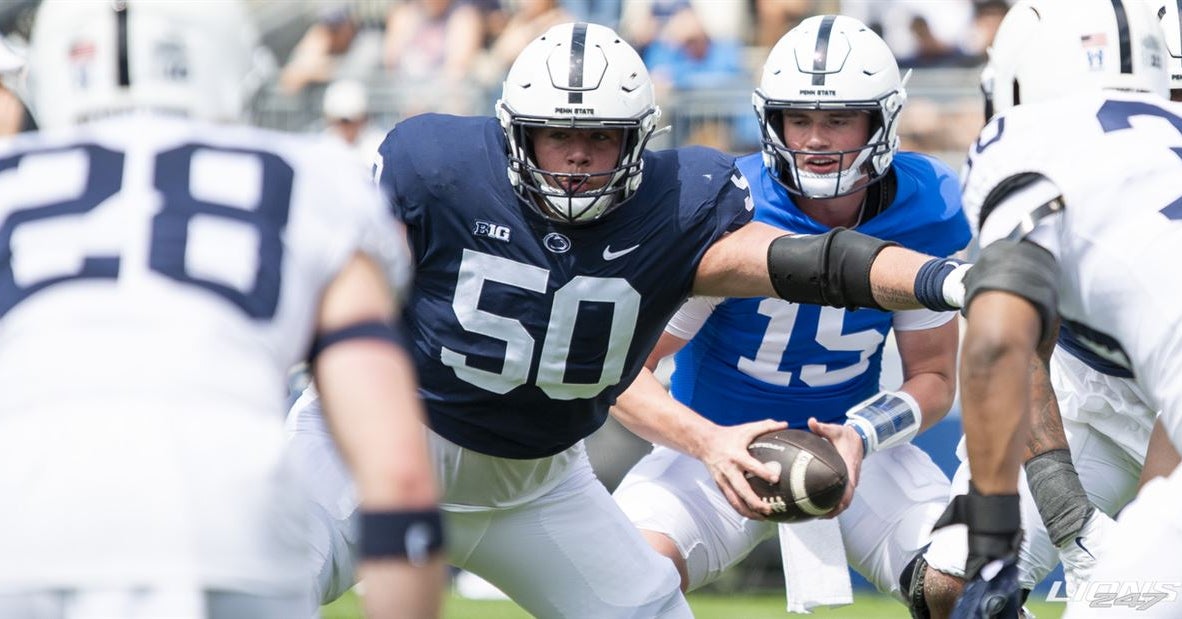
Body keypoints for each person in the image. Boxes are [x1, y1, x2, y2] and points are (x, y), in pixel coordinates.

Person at [286, 21, 971, 618]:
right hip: (379, 444)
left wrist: (948, 280)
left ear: (638, 141)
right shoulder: (436, 167)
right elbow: (342, 293)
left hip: (539, 481)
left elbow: (812, 261)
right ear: (512, 134)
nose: (578, 156)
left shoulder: (677, 207)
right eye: (555, 133)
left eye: (600, 136)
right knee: (264, 585)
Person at [0, 2, 444, 618]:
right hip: (230, 527)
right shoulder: (316, 182)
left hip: (25, 527)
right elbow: (398, 471)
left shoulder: (11, 181)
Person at [610, 15, 969, 613]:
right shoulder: (728, 206)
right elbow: (624, 374)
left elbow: (933, 377)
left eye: (837, 119)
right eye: (799, 119)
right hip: (713, 447)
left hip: (857, 447)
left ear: (881, 120)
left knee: (964, 588)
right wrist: (710, 443)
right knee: (624, 586)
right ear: (770, 120)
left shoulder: (923, 207)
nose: (816, 139)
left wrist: (860, 436)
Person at [931, 0, 1182, 616]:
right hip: (1090, 392)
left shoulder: (1024, 144)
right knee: (950, 584)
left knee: (1123, 602)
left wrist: (1088, 546)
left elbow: (995, 341)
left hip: (1164, 407)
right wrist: (1069, 524)